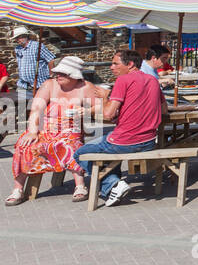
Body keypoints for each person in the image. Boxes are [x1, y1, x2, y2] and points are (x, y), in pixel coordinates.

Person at [73, 49, 165, 207]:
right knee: (105, 150)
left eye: (115, 63)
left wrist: (105, 97)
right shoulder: (152, 80)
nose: (111, 67)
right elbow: (163, 110)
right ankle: (114, 187)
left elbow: (108, 114)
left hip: (125, 141)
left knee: (80, 153)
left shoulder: (123, 81)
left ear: (130, 65)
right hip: (149, 141)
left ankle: (113, 185)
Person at [7, 57, 103, 205]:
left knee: (70, 144)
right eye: (57, 73)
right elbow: (36, 109)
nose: (58, 76)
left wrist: (86, 110)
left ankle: (80, 186)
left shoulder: (86, 87)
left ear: (74, 75)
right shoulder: (49, 85)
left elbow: (100, 106)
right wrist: (33, 131)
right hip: (45, 129)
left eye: (62, 73)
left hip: (70, 129)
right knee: (23, 145)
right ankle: (17, 189)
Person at [11, 26, 55, 112]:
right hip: (23, 83)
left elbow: (50, 59)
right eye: (16, 38)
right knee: (21, 107)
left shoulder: (37, 46)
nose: (17, 40)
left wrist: (51, 75)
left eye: (18, 38)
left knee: (40, 107)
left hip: (39, 83)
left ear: (25, 36)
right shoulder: (18, 49)